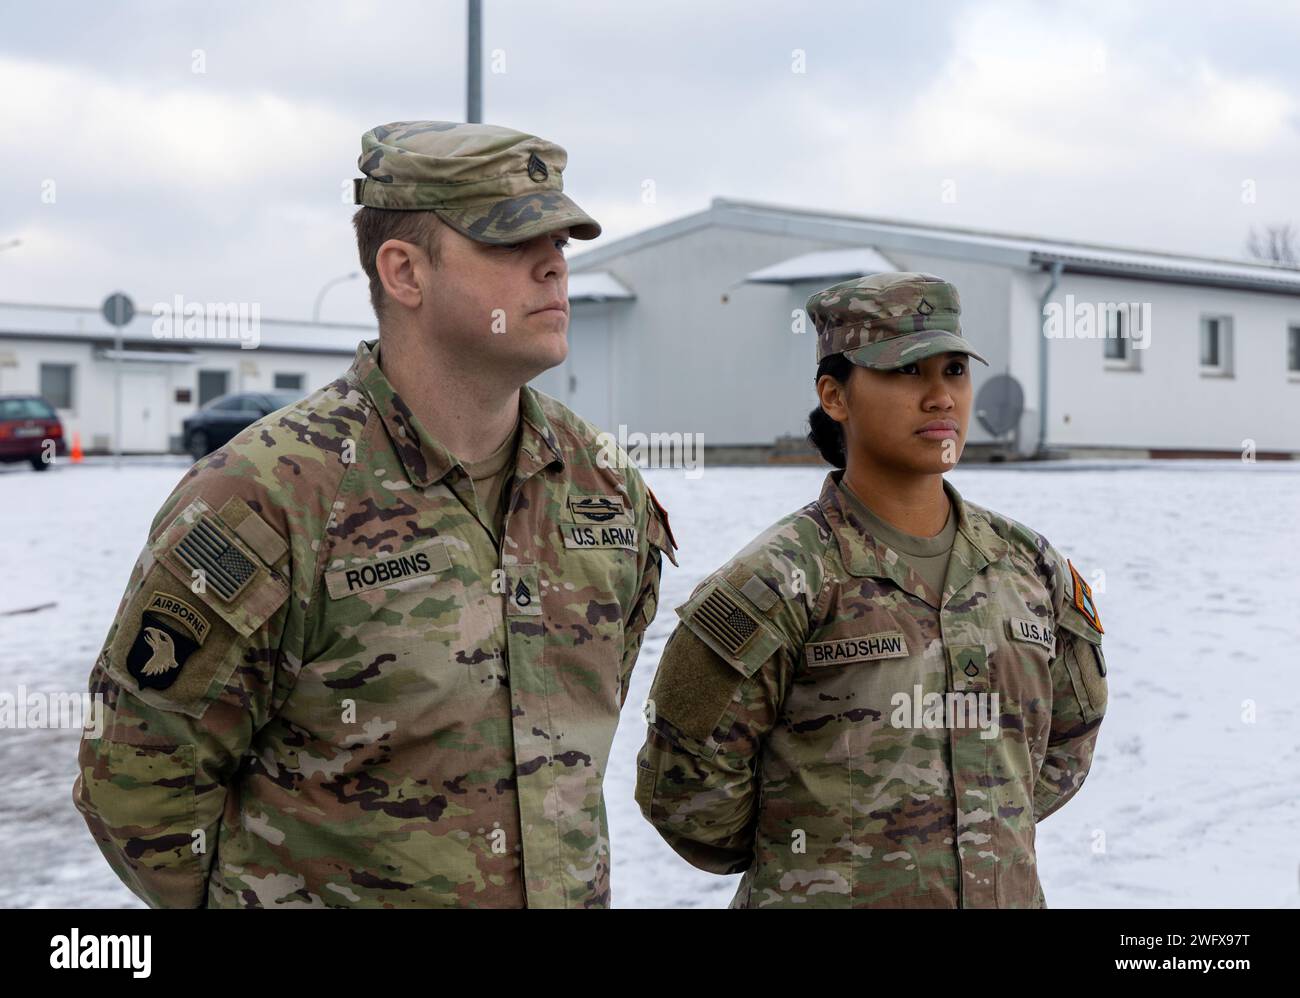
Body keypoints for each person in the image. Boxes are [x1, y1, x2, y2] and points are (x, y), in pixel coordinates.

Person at [73, 120, 678, 908]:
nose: (553, 265)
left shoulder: (601, 486)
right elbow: (140, 784)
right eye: (510, 242)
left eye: (561, 240)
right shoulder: (269, 494)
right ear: (405, 272)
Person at [635, 271, 1106, 908]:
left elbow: (1066, 742)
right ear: (835, 395)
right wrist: (829, 854)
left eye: (955, 370)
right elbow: (690, 798)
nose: (941, 397)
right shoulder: (775, 581)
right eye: (908, 372)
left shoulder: (1028, 566)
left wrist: (969, 827)